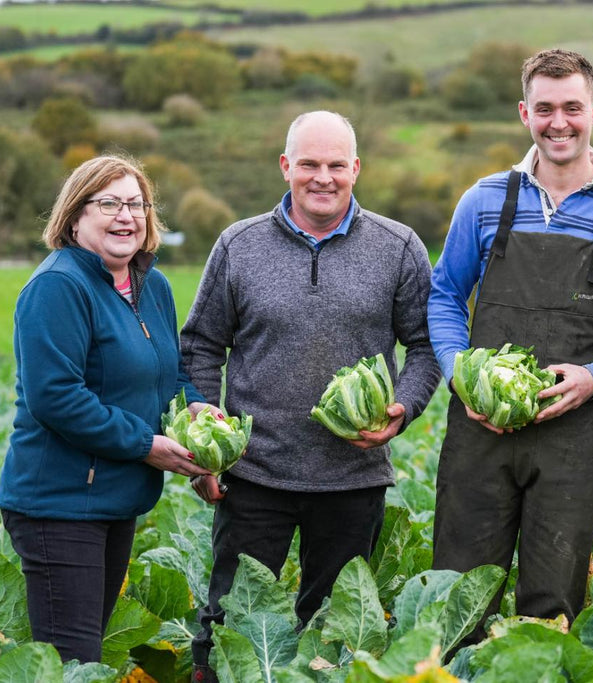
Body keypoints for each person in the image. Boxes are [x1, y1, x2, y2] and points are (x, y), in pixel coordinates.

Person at [182, 110, 440, 681]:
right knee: (230, 629)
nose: (322, 177)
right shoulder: (238, 245)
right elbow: (201, 346)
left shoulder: (398, 247)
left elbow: (425, 348)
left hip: (353, 479)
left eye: (335, 165)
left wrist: (401, 409)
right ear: (285, 167)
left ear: (356, 169)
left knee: (334, 635)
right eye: (308, 164)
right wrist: (207, 445)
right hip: (254, 476)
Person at [427, 49, 593, 630]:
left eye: (572, 107)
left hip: (575, 436)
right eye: (544, 109)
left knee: (552, 601)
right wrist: (461, 374)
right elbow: (443, 297)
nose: (558, 122)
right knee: (458, 598)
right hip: (479, 431)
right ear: (524, 112)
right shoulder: (484, 200)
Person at [0, 155, 213, 662]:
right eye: (109, 203)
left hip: (114, 499)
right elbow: (57, 398)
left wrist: (197, 410)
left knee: (87, 653)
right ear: (75, 217)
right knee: (74, 663)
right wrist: (145, 445)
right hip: (59, 505)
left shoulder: (151, 287)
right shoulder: (58, 286)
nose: (126, 216)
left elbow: (170, 373)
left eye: (136, 204)